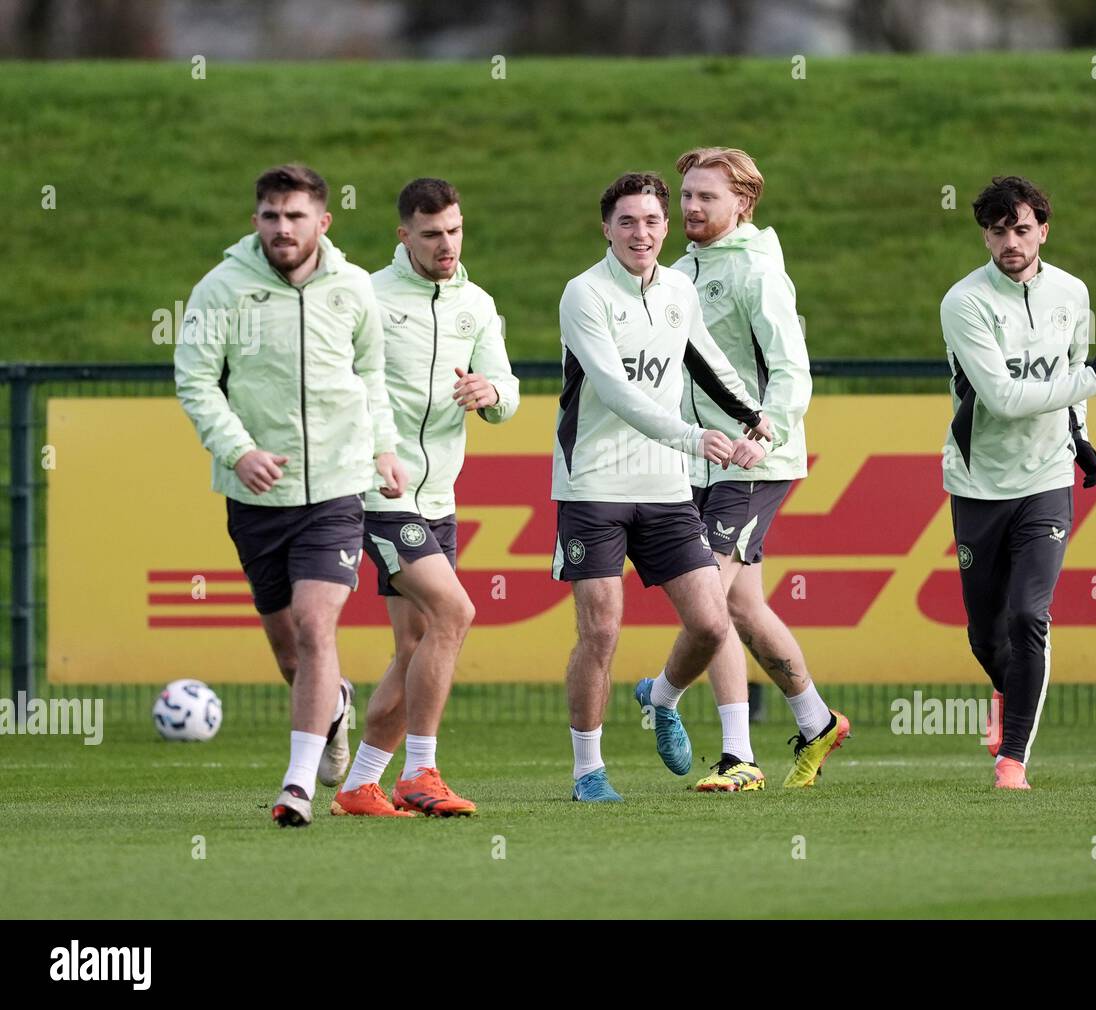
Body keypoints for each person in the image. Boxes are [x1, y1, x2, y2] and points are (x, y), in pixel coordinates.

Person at [175, 164, 407, 826]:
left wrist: (383, 449)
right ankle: (332, 709)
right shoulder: (220, 290)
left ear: (322, 222)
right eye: (272, 216)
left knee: (314, 625)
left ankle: (298, 786)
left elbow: (372, 374)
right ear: (256, 221)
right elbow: (195, 381)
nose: (283, 228)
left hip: (337, 488)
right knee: (290, 650)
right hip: (256, 499)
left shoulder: (353, 288)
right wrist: (238, 450)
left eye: (296, 216)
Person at [553, 171, 771, 801]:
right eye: (627, 221)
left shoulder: (678, 288)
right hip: (592, 485)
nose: (640, 233)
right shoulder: (584, 293)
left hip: (665, 489)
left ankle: (663, 696)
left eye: (651, 221)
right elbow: (615, 390)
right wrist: (686, 435)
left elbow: (708, 361)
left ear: (665, 226)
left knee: (709, 624)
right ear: (606, 227)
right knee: (600, 631)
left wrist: (759, 418)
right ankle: (588, 770)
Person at [331, 178, 519, 818]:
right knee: (458, 613)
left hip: (440, 498)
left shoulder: (477, 303)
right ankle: (420, 771)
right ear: (403, 234)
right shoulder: (369, 297)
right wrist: (369, 454)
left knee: (415, 649)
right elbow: (337, 386)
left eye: (456, 230)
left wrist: (491, 395)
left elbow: (507, 388)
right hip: (382, 492)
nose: (447, 244)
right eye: (433, 233)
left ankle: (359, 786)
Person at [671, 146, 849, 792]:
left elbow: (792, 368)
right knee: (741, 606)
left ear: (742, 204)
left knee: (705, 599)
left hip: (753, 460)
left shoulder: (756, 271)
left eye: (706, 197)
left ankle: (737, 756)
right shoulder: (680, 269)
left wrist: (760, 431)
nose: (690, 206)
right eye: (686, 194)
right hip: (706, 458)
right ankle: (816, 720)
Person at [940, 175, 1096, 790]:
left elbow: (1069, 372)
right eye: (998, 231)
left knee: (1029, 616)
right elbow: (1004, 397)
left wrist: (1081, 437)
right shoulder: (965, 302)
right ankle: (1009, 691)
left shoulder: (1072, 293)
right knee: (985, 634)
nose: (1010, 242)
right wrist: (1093, 384)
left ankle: (1012, 760)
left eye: (1022, 229)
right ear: (985, 235)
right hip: (978, 482)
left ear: (1043, 230)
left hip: (1045, 479)